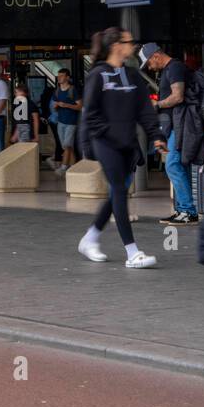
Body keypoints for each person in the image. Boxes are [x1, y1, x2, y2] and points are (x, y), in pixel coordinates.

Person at [78, 27, 167, 268]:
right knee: (118, 189)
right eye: (129, 42)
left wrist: (156, 136)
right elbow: (90, 114)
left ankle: (91, 238)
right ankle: (132, 252)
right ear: (117, 45)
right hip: (105, 142)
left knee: (116, 193)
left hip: (128, 143)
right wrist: (101, 138)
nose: (133, 46)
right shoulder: (97, 75)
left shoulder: (133, 75)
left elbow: (145, 110)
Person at [140, 43, 203, 226]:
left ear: (156, 56)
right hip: (176, 124)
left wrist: (156, 105)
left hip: (181, 124)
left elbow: (178, 96)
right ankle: (183, 210)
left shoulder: (174, 67)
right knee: (176, 165)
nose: (150, 68)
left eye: (149, 63)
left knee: (173, 165)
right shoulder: (171, 69)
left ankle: (188, 211)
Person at [50, 68, 81, 173]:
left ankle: (64, 167)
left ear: (67, 77)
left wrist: (66, 105)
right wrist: (55, 106)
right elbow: (54, 106)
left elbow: (80, 106)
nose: (59, 78)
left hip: (71, 122)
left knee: (67, 145)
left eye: (62, 76)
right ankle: (74, 167)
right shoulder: (57, 91)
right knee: (67, 147)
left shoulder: (72, 90)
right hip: (61, 122)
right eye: (58, 76)